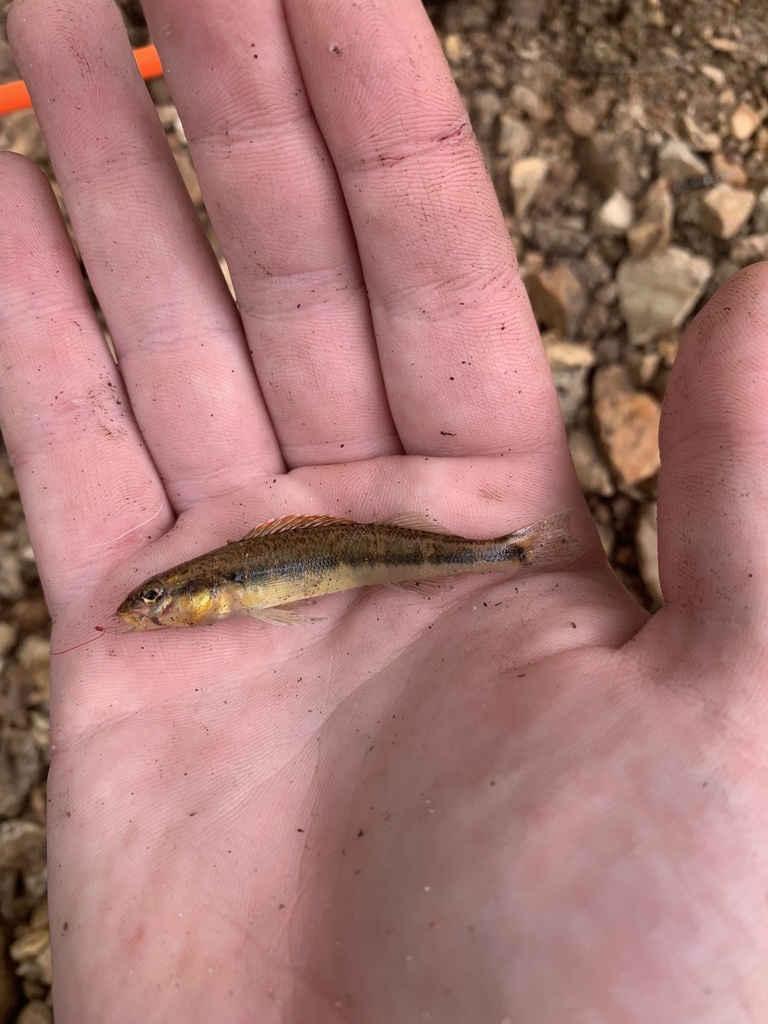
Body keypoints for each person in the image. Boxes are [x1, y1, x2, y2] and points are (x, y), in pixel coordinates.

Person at [1, 0, 766, 1020]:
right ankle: (498, 553)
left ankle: (499, 552)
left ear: (202, 595)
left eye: (155, 603)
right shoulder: (224, 589)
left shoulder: (227, 588)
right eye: (154, 606)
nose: (145, 613)